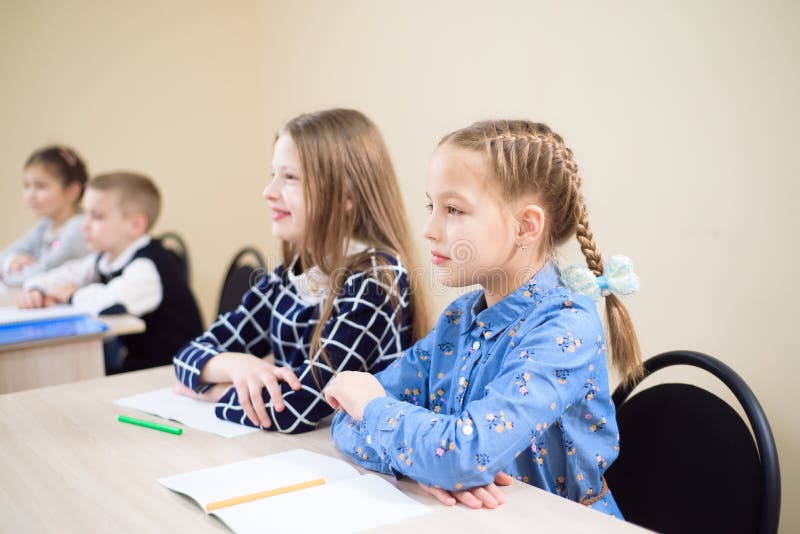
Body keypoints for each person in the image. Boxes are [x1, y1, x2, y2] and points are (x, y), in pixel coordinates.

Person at [325, 120, 641, 517]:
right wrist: (423, 461)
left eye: (453, 209)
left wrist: (385, 419)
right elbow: (344, 418)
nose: (429, 229)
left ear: (526, 226)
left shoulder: (565, 329)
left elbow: (459, 453)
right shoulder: (459, 319)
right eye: (432, 207)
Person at [172, 109, 430, 434]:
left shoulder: (376, 279)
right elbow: (187, 355)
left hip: (357, 469)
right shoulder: (293, 272)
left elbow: (292, 409)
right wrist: (235, 364)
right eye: (272, 175)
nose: (268, 191)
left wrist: (212, 389)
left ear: (347, 196)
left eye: (290, 178)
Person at [17, 172, 204, 374]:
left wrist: (72, 296)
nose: (84, 225)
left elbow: (113, 304)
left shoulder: (147, 265)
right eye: (85, 214)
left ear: (135, 225)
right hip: (142, 365)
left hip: (176, 372)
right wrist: (37, 289)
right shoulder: (106, 258)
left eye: (97, 216)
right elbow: (69, 273)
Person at [1, 146, 89, 286]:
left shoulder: (79, 228)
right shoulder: (45, 226)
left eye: (41, 186)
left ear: (73, 191)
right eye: (26, 186)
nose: (30, 196)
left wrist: (7, 275)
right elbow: (4, 255)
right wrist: (11, 262)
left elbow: (40, 273)